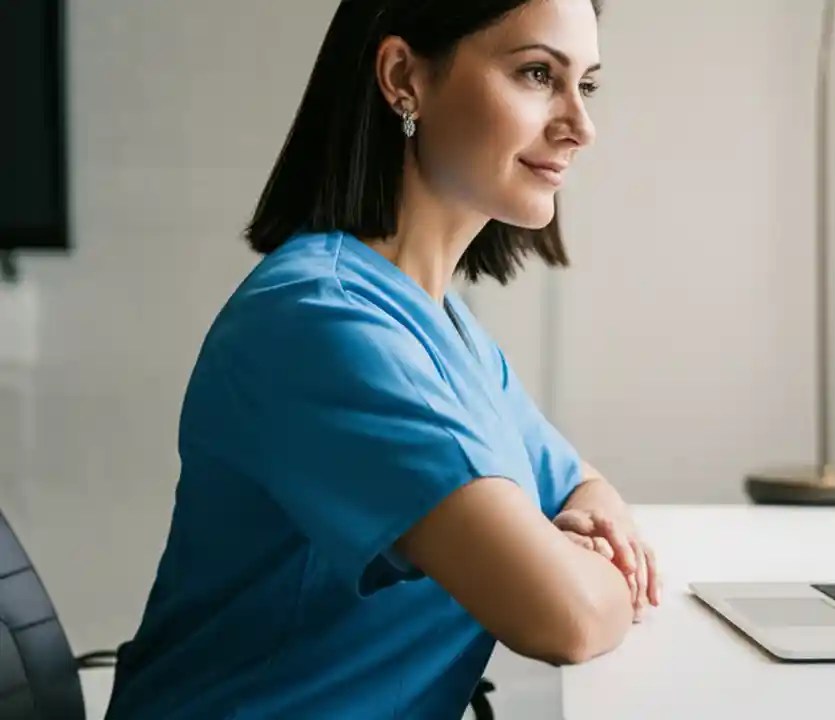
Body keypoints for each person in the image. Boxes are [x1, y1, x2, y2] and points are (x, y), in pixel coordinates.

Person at [106, 0, 659, 717]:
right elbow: (566, 621)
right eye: (535, 74)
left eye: (585, 85)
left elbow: (584, 487)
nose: (580, 127)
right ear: (404, 77)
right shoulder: (322, 323)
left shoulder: (443, 326)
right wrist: (598, 572)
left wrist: (580, 554)